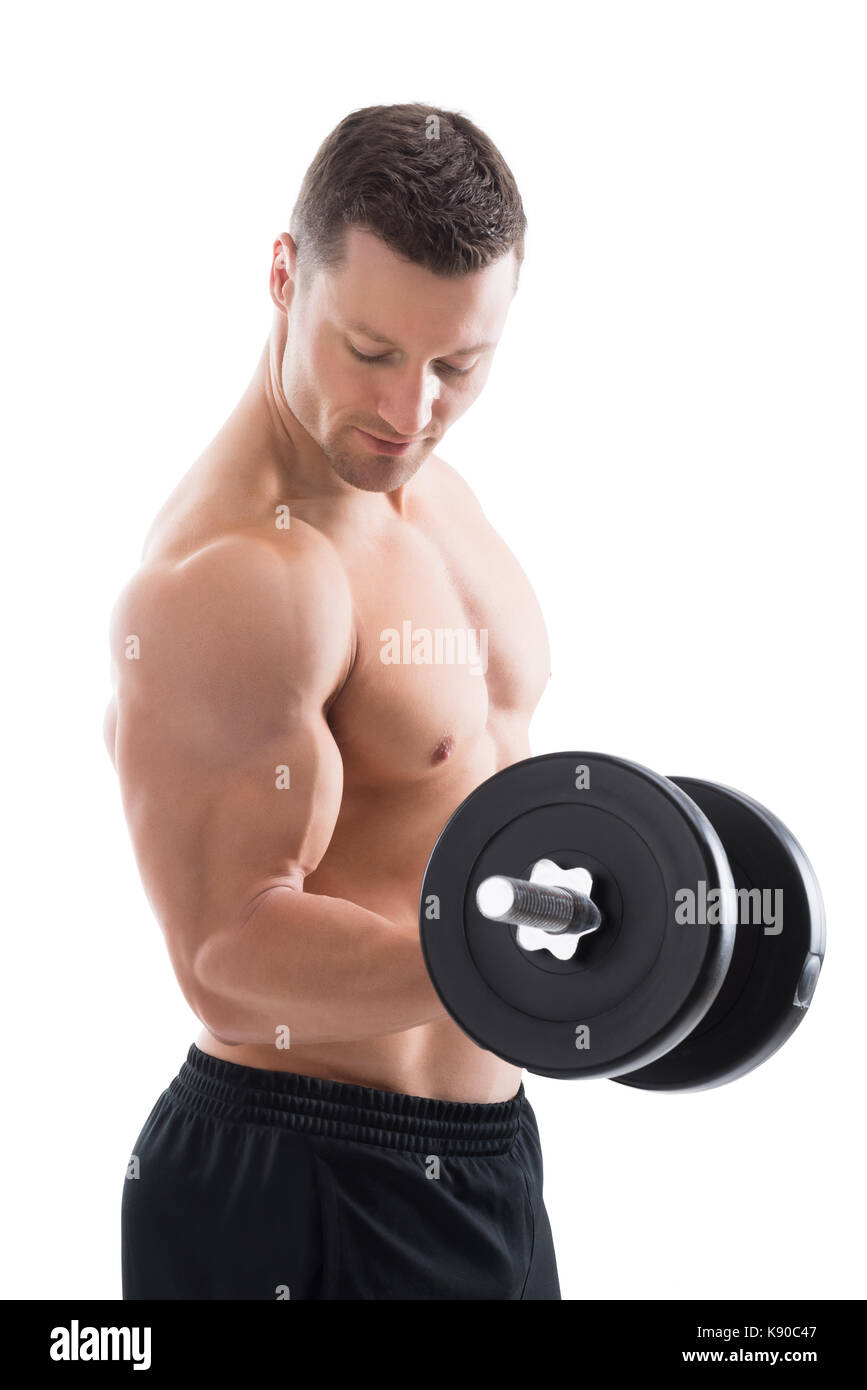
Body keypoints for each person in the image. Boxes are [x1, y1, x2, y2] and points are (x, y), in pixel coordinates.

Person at [106, 102, 560, 1300]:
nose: (411, 413)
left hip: (489, 1161)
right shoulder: (245, 576)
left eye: (458, 365)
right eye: (370, 351)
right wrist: (516, 970)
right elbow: (225, 953)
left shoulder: (437, 499)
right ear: (280, 275)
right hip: (301, 1175)